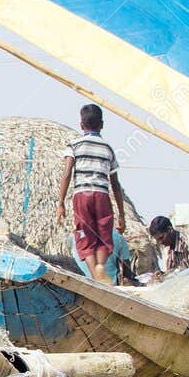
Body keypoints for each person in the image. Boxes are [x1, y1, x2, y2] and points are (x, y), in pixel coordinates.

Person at [56, 104, 126, 284]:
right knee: (104, 236)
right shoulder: (108, 149)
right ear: (102, 125)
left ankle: (95, 276)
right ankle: (101, 265)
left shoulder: (74, 146)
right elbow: (115, 184)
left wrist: (61, 202)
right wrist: (121, 215)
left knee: (85, 238)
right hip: (102, 195)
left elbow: (66, 174)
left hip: (82, 195)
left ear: (81, 125)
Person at [148, 215, 189, 279]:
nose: (160, 242)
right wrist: (163, 274)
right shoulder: (168, 248)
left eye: (161, 238)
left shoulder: (187, 243)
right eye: (157, 240)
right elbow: (173, 271)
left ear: (170, 229)